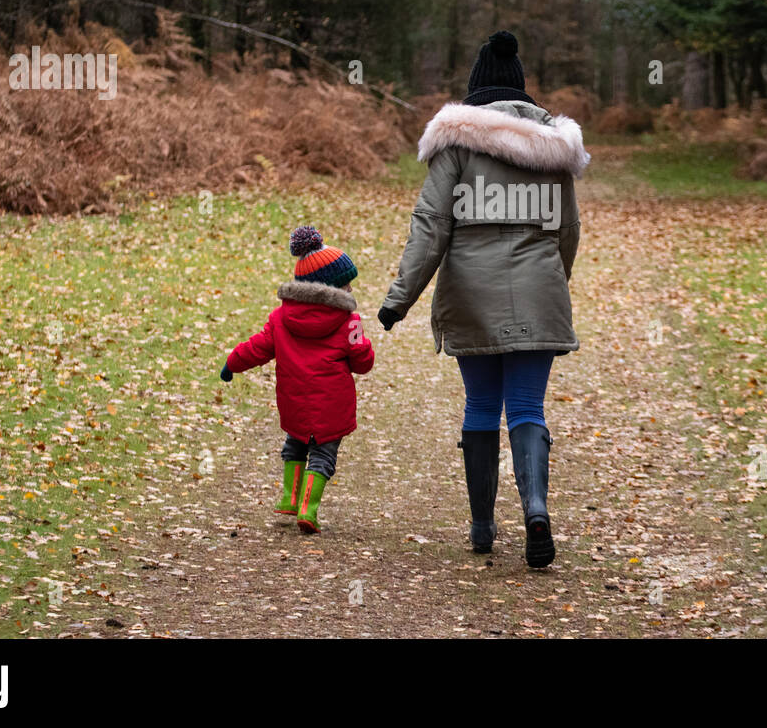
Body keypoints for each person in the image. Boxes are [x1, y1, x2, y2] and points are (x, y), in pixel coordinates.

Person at [377, 30, 588, 567]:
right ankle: (536, 511)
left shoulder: (457, 144)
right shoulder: (553, 149)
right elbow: (568, 231)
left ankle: (481, 526)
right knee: (526, 408)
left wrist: (398, 300)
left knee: (480, 406)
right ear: (521, 89)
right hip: (540, 292)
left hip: (471, 294)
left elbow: (430, 229)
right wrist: (551, 281)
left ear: (474, 90)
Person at [220, 225, 374, 533]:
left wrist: (232, 362)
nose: (351, 291)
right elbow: (363, 363)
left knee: (295, 445)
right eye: (347, 285)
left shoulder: (280, 319)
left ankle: (289, 499)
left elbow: (257, 348)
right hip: (332, 407)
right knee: (323, 457)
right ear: (331, 288)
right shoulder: (349, 321)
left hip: (294, 404)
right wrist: (364, 346)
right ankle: (308, 510)